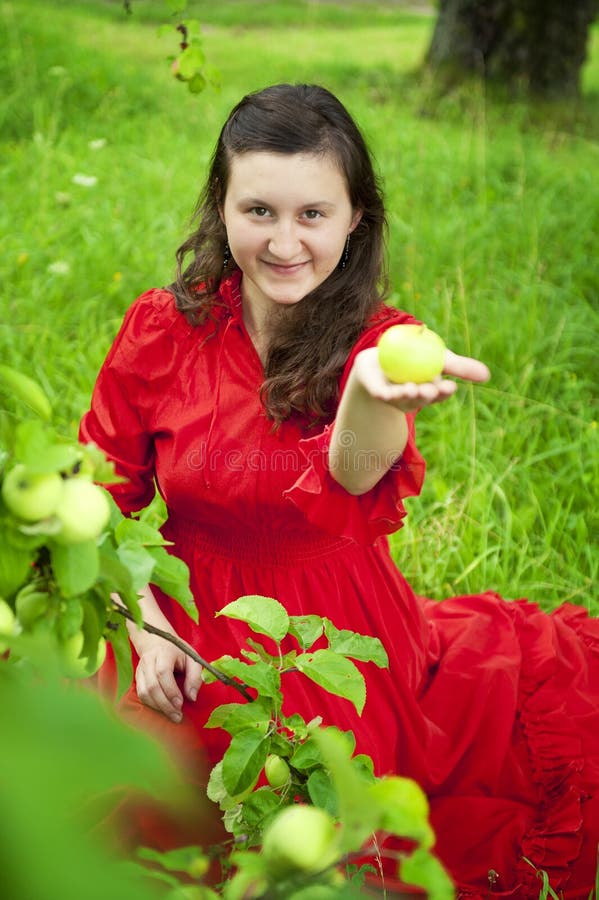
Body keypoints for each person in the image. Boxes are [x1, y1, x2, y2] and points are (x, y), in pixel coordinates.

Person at [80, 83, 599, 899]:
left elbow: (353, 472)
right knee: (108, 799)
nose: (284, 242)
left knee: (305, 829)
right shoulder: (164, 329)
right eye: (259, 210)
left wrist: (365, 387)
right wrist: (145, 631)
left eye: (313, 215)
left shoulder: (383, 349)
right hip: (179, 615)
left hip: (329, 626)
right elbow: (99, 501)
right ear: (221, 207)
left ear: (355, 217)